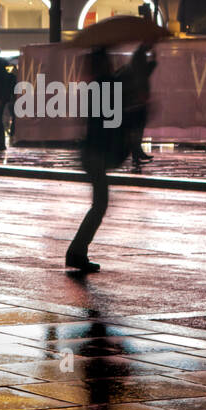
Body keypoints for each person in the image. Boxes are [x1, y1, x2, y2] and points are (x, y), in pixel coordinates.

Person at [66, 47, 126, 272]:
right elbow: (111, 120)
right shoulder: (106, 85)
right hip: (97, 152)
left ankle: (77, 251)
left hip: (92, 151)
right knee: (100, 204)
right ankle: (76, 252)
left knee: (99, 204)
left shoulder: (95, 85)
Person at [120, 44, 157, 165]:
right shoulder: (139, 55)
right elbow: (142, 74)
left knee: (138, 126)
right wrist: (153, 63)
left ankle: (137, 152)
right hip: (138, 96)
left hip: (138, 96)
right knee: (137, 126)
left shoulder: (139, 55)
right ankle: (136, 153)